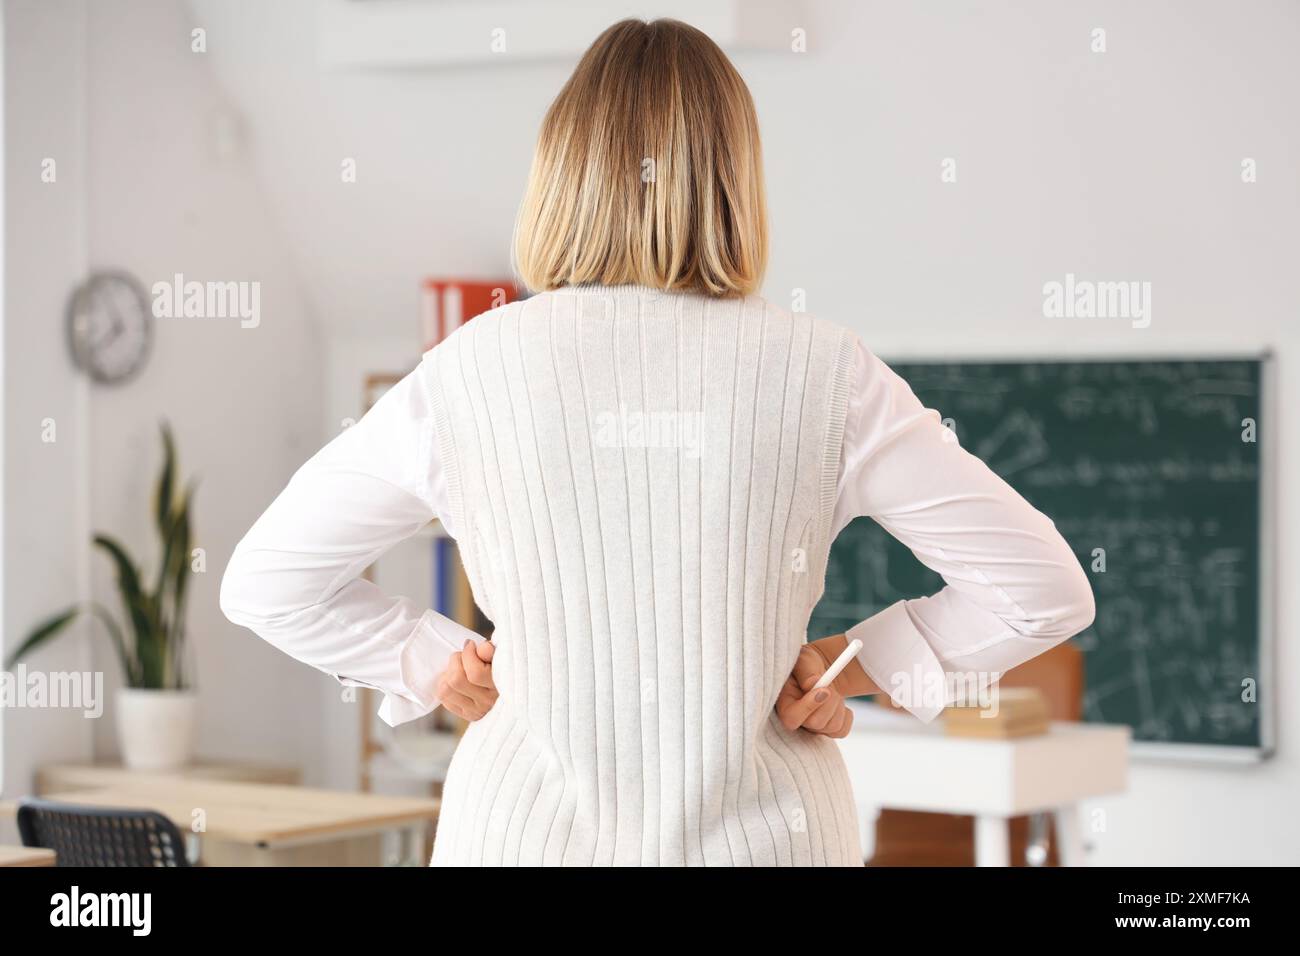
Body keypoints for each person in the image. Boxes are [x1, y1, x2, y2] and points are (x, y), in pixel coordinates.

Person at [220, 18, 1095, 866]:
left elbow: (268, 583)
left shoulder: (465, 371)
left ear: (560, 176)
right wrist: (837, 665)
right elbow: (1043, 592)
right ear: (735, 181)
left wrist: (431, 661)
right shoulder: (827, 373)